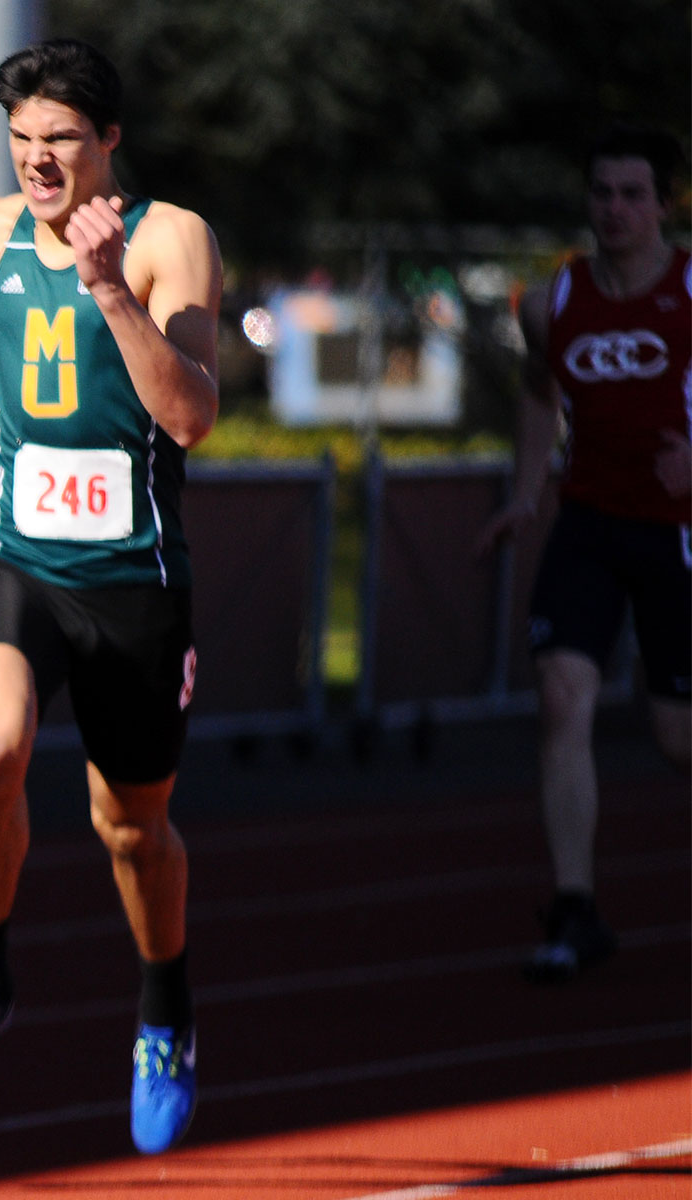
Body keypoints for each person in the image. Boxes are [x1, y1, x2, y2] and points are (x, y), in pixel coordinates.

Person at [0, 39, 221, 1157]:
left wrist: (108, 287)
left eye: (63, 140)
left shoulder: (170, 241)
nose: (38, 160)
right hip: (15, 555)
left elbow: (191, 417)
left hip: (134, 580)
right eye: (22, 138)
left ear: (110, 141)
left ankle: (165, 1012)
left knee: (131, 828)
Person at [476, 124, 691, 984]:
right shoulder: (552, 300)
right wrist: (529, 490)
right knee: (563, 697)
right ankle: (575, 907)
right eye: (602, 193)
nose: (615, 209)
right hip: (590, 524)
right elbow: (539, 394)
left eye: (633, 194)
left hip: (678, 532)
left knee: (678, 737)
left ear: (665, 203)